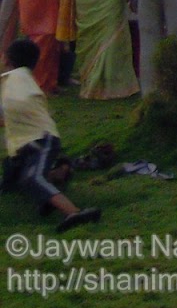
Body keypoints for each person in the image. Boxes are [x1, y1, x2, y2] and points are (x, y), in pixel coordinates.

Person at [1, 38, 102, 230]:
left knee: (32, 178)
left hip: (38, 140)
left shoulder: (12, 79)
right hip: (31, 143)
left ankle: (74, 212)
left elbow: (14, 106)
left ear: (7, 59)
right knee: (13, 181)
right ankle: (60, 172)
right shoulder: (23, 80)